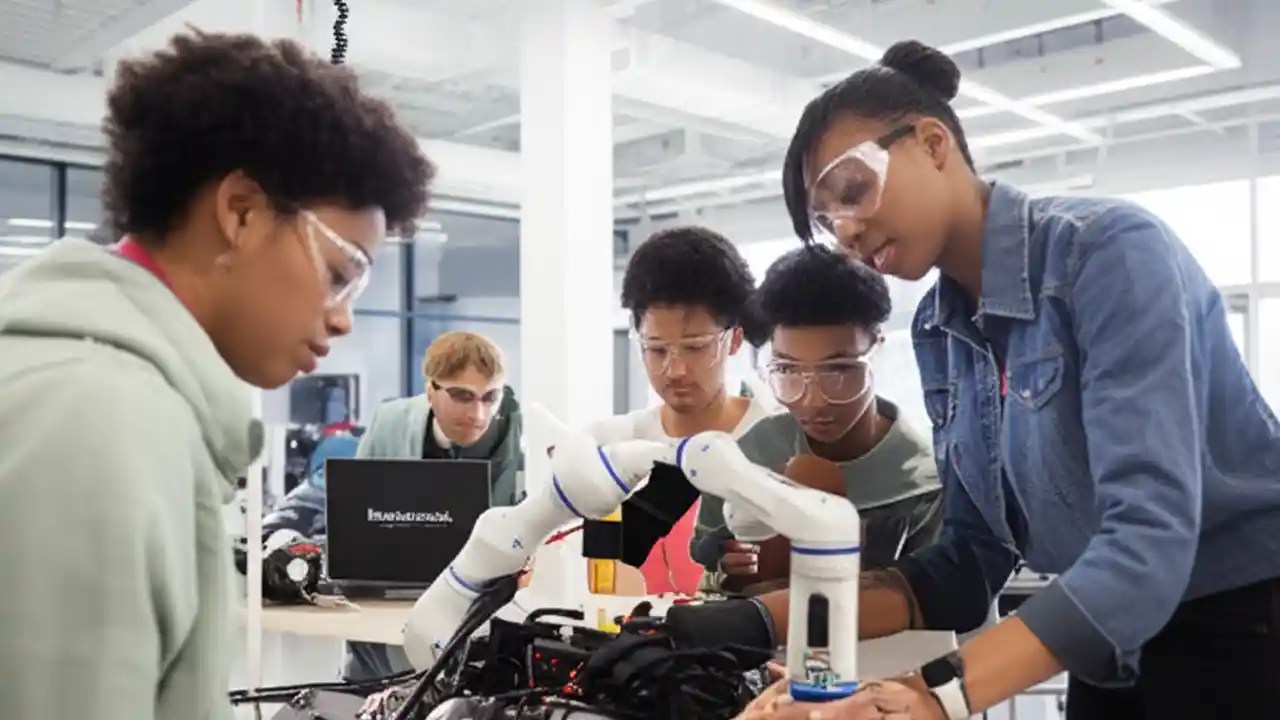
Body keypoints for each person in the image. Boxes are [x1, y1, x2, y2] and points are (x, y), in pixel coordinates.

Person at [736, 39, 1280, 720]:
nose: (845, 230)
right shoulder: (939, 327)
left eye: (852, 191)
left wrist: (937, 695)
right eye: (826, 222)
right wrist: (753, 622)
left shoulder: (1105, 253)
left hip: (1242, 624)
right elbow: (972, 559)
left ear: (933, 143)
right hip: (1098, 627)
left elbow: (1149, 538)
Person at [0, 31, 433, 720]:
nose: (344, 318)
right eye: (339, 274)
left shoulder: (120, 401)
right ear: (241, 212)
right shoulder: (94, 422)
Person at [692, 245, 941, 594]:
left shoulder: (926, 484)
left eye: (838, 370)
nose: (814, 401)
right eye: (788, 370)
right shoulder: (747, 455)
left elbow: (937, 606)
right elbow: (705, 566)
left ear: (877, 352)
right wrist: (723, 560)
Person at [311, 331, 522, 681]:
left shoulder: (518, 435)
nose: (478, 413)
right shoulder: (389, 424)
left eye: (490, 397)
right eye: (462, 396)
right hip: (388, 609)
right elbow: (352, 519)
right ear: (430, 391)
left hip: (478, 610)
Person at [587, 225, 773, 595]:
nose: (675, 370)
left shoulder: (774, 443)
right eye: (657, 350)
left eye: (696, 347)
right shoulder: (609, 446)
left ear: (734, 339)